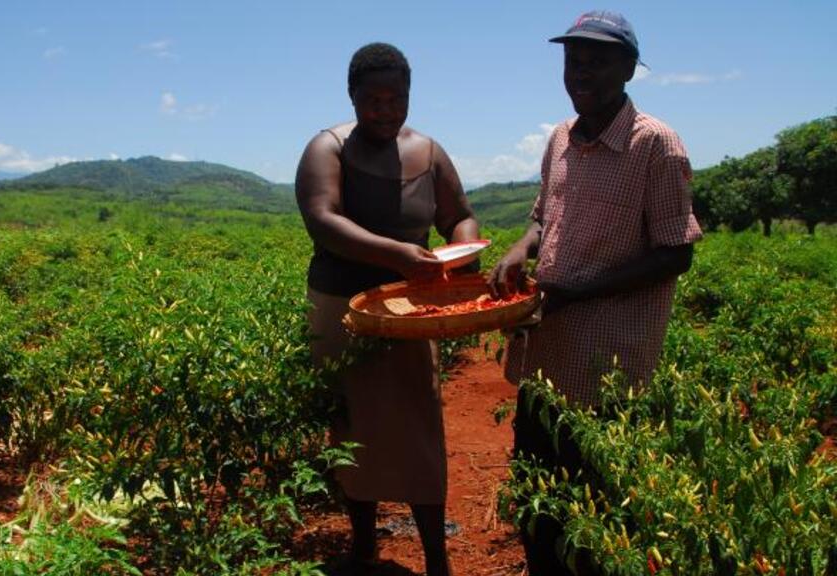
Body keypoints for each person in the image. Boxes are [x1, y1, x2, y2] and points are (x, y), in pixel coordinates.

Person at [486, 11, 703, 575]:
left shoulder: (656, 144)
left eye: (598, 61)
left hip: (609, 367)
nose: (582, 72)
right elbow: (543, 218)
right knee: (539, 494)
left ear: (629, 68)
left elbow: (676, 252)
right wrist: (520, 249)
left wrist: (574, 291)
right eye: (574, 60)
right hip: (545, 356)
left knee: (596, 511)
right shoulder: (559, 138)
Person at [296, 42, 479, 576]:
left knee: (419, 428)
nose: (385, 109)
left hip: (411, 309)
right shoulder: (326, 149)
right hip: (342, 308)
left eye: (396, 98)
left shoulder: (428, 151)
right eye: (372, 99)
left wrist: (464, 248)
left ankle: (436, 560)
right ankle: (363, 546)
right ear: (352, 97)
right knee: (353, 429)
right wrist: (396, 254)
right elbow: (322, 219)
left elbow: (460, 216)